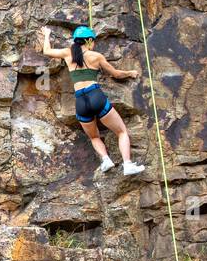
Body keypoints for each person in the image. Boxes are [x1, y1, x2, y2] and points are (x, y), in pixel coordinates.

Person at [41, 25, 145, 176]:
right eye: (93, 41)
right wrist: (130, 73)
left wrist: (46, 35)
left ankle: (105, 159)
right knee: (122, 131)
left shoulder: (67, 53)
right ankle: (127, 164)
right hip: (95, 95)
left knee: (94, 136)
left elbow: (47, 51)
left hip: (80, 101)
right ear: (89, 40)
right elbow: (115, 74)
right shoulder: (96, 56)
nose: (94, 43)